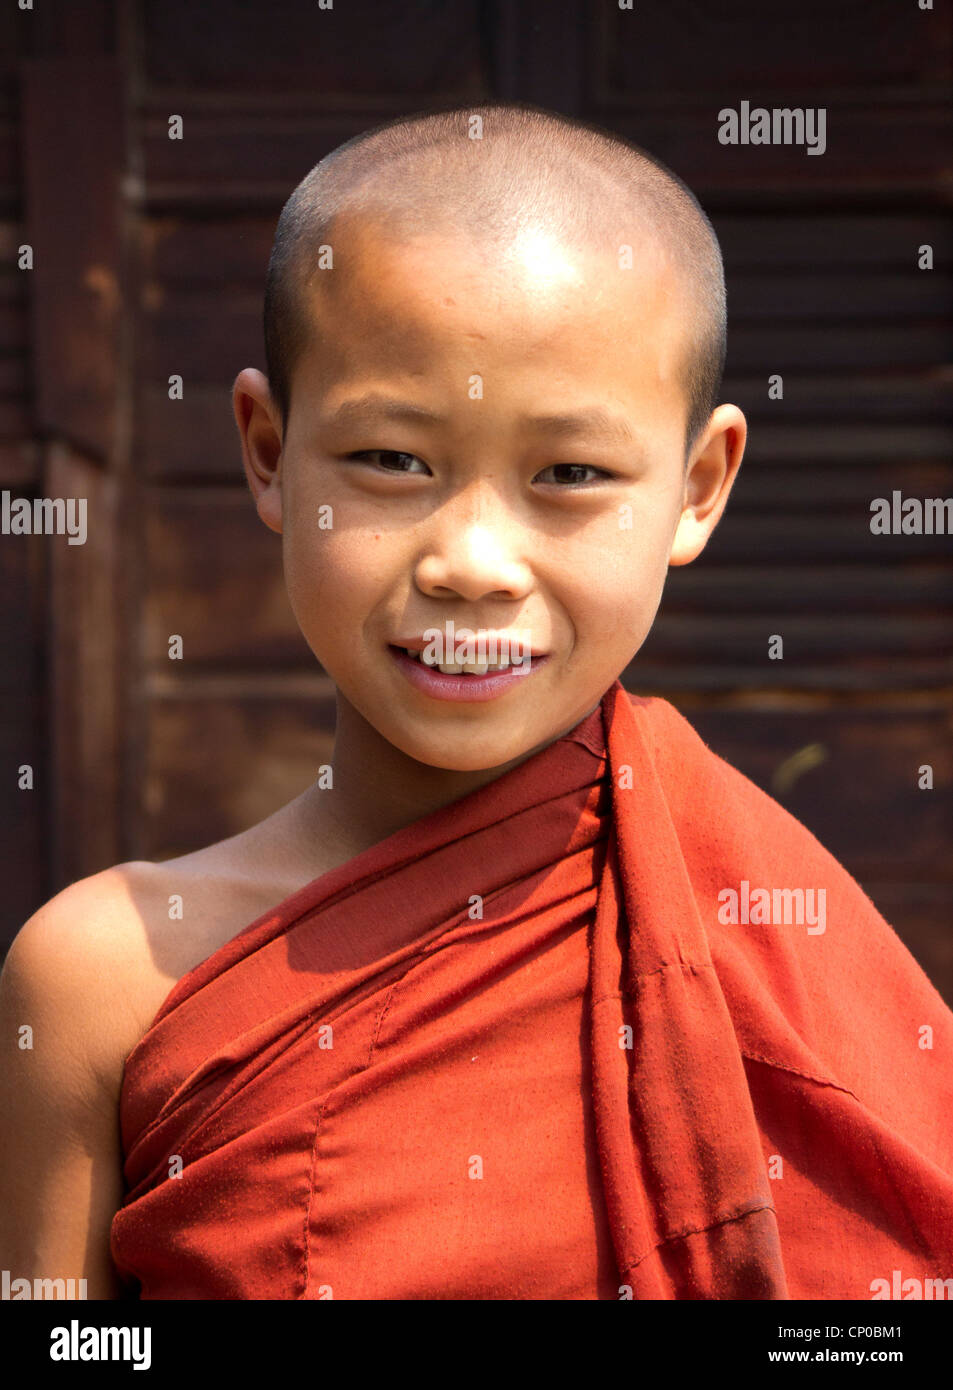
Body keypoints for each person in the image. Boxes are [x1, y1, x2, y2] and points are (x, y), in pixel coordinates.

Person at [2, 102, 951, 1301]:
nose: (472, 559)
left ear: (698, 487)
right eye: (393, 460)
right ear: (266, 450)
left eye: (569, 474)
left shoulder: (770, 932)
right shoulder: (109, 979)